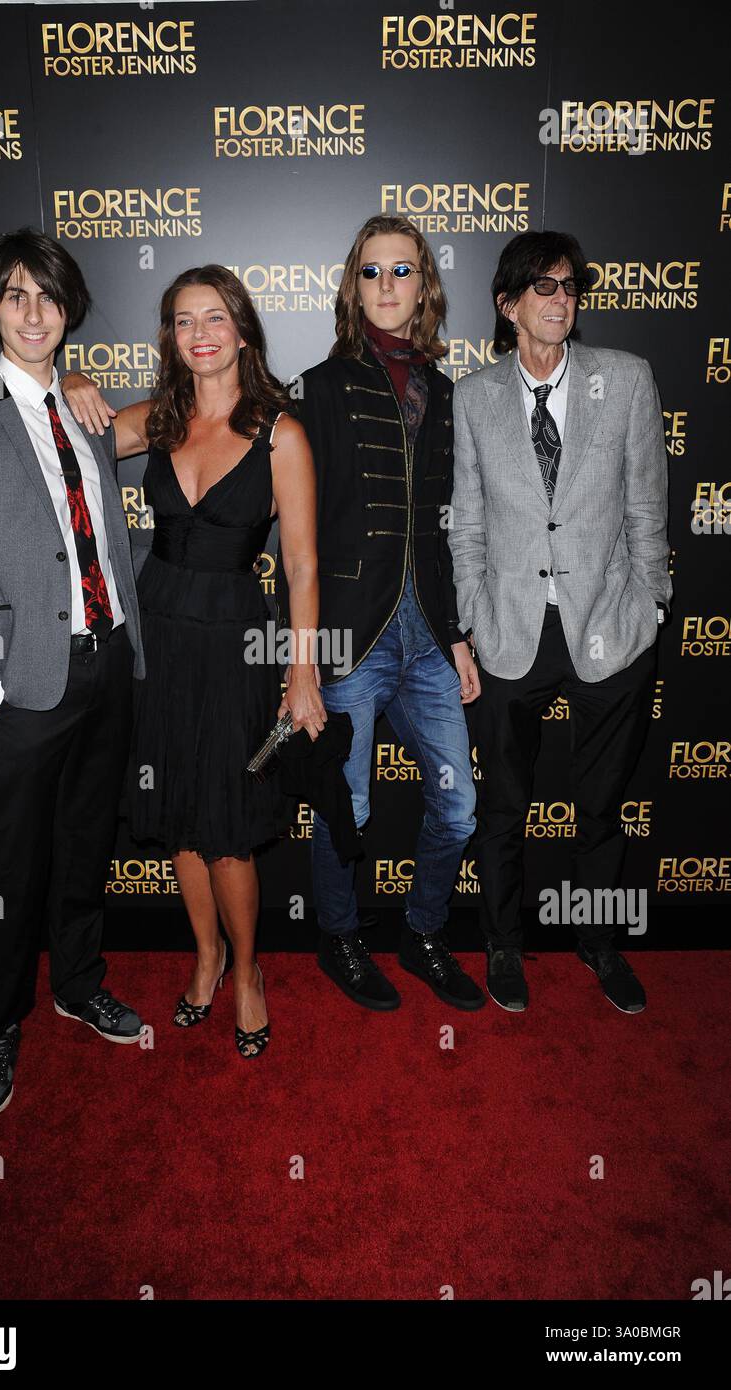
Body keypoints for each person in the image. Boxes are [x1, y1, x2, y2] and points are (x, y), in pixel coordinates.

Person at [0, 227, 146, 1116]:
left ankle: (78, 983)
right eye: (16, 295)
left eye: (49, 296)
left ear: (70, 310)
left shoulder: (87, 410)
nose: (34, 311)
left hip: (109, 664)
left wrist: (128, 653)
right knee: (15, 869)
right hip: (24, 688)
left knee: (88, 846)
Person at [61, 265, 325, 1057]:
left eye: (215, 318)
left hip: (237, 640)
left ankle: (248, 972)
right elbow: (64, 432)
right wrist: (69, 373)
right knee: (177, 809)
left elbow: (304, 565)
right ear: (171, 337)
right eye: (183, 320)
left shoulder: (283, 431)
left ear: (242, 331)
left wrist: (302, 671)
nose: (200, 333)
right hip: (159, 635)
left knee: (230, 826)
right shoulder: (161, 420)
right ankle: (204, 954)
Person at [449, 229, 671, 1014]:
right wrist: (472, 620)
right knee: (503, 808)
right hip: (511, 631)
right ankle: (505, 947)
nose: (561, 300)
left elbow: (647, 503)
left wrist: (652, 601)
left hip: (611, 627)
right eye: (543, 287)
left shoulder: (628, 379)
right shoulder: (472, 396)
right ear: (508, 305)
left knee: (602, 807)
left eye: (570, 286)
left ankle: (599, 943)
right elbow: (466, 524)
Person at [276, 215, 483, 1013]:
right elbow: (292, 537)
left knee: (458, 804)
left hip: (428, 637)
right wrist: (302, 663)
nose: (388, 286)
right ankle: (338, 935)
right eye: (372, 272)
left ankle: (423, 931)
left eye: (403, 271)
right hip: (348, 642)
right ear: (352, 285)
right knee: (346, 807)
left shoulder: (448, 390)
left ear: (424, 285)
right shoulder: (320, 388)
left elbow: (447, 529)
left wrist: (458, 635)